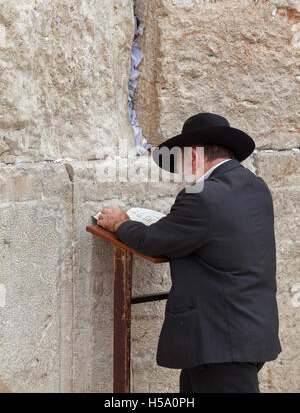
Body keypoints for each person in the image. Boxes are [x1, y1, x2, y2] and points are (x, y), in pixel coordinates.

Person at [97, 112, 282, 393]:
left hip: (219, 342)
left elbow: (153, 240)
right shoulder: (256, 187)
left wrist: (121, 222)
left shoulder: (203, 195)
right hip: (246, 335)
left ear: (194, 157)